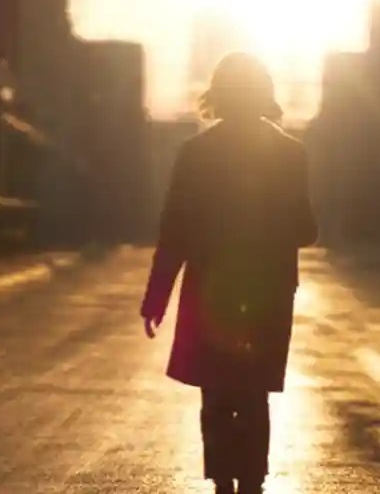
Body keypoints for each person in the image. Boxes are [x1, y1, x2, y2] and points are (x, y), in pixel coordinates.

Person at [141, 52, 318, 494]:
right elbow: (306, 229)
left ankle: (222, 482)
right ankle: (252, 483)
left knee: (216, 392)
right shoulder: (290, 153)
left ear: (216, 96)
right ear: (265, 95)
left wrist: (156, 297)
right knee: (253, 392)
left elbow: (174, 228)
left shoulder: (196, 153)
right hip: (268, 293)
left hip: (209, 292)